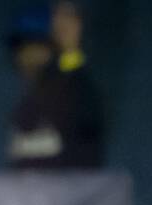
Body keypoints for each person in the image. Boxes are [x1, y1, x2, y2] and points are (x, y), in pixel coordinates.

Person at [6, 2, 105, 169]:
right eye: (21, 48)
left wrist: (70, 51)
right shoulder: (28, 99)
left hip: (71, 184)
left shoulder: (71, 84)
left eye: (38, 46)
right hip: (29, 184)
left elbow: (72, 72)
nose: (28, 55)